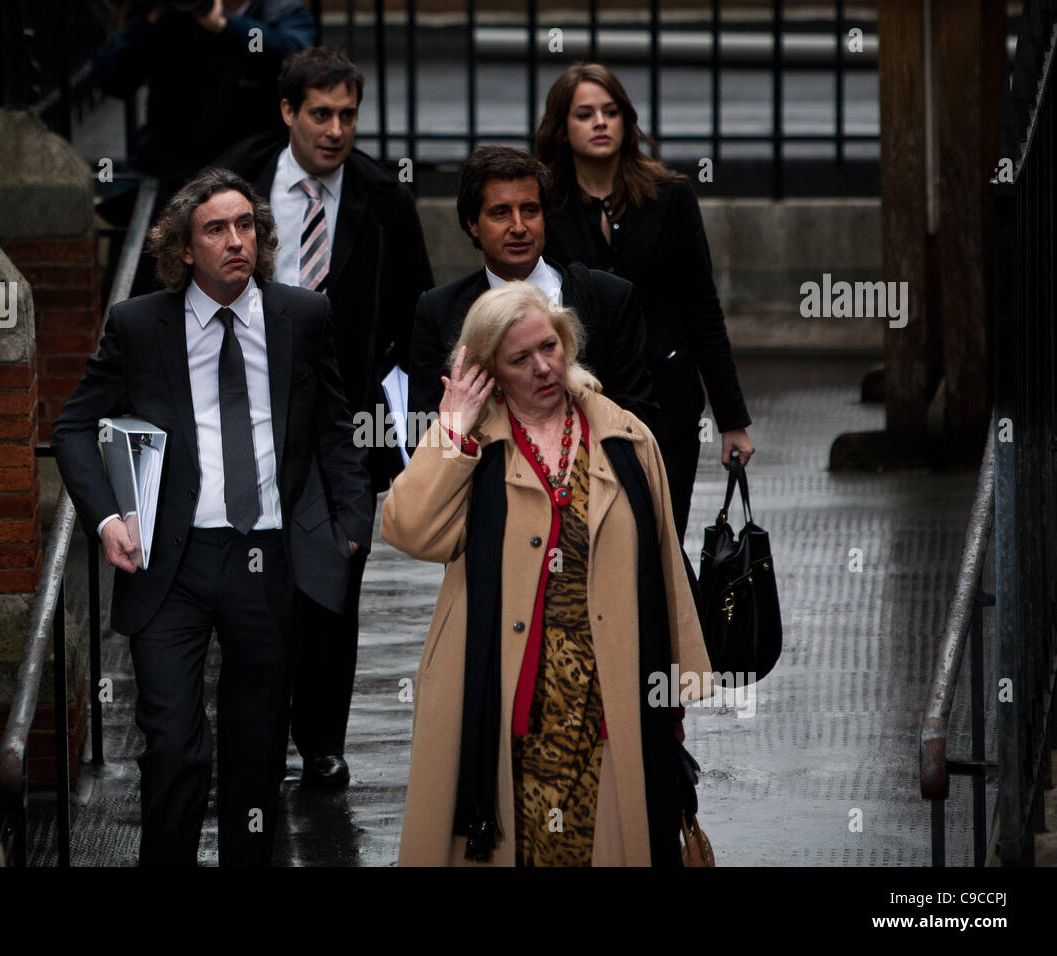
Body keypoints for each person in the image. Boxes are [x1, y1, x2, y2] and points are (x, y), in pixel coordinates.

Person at [51, 167, 372, 866]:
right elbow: (73, 428)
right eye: (216, 229)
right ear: (184, 249)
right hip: (173, 561)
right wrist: (107, 518)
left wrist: (349, 525)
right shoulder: (139, 325)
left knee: (257, 750)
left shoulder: (303, 317)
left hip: (270, 559)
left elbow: (334, 431)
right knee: (172, 740)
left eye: (246, 226)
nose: (236, 241)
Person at [383, 281, 711, 866]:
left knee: (605, 842)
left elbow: (665, 565)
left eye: (550, 347)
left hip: (607, 688)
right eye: (520, 358)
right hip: (506, 696)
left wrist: (676, 693)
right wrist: (451, 429)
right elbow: (410, 530)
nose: (542, 367)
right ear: (488, 372)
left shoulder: (627, 438)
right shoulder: (473, 446)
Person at [216, 47, 434, 788]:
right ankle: (259, 740)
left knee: (333, 586)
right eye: (320, 114)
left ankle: (321, 744)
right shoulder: (235, 182)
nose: (336, 130)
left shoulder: (383, 198)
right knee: (255, 585)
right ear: (287, 112)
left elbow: (420, 315)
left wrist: (409, 423)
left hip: (348, 432)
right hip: (246, 419)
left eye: (348, 114)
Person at [535, 62, 755, 540]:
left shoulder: (669, 198)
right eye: (585, 114)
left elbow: (703, 310)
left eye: (610, 112)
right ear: (561, 127)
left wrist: (732, 421)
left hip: (667, 408)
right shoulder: (545, 205)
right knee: (590, 545)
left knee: (658, 543)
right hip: (579, 405)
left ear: (626, 121)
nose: (600, 122)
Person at [408, 146, 657, 439]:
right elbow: (424, 433)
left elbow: (638, 417)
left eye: (530, 210)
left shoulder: (610, 297)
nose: (518, 227)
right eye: (501, 213)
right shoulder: (439, 311)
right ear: (473, 224)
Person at [93, 0, 315, 198]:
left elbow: (294, 65)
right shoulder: (173, 16)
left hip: (251, 177)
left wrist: (225, 26)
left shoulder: (279, 11)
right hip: (173, 176)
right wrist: (149, 22)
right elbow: (110, 79)